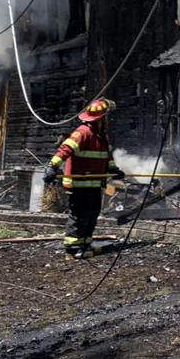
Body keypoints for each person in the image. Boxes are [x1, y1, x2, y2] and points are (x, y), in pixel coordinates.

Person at [44, 98, 123, 258]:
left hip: (93, 185)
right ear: (100, 119)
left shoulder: (101, 137)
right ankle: (73, 249)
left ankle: (85, 243)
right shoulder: (82, 133)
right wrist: (52, 167)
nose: (107, 121)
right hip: (78, 185)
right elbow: (64, 150)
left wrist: (114, 170)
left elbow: (107, 158)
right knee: (79, 215)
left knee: (92, 214)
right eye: (106, 117)